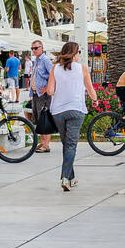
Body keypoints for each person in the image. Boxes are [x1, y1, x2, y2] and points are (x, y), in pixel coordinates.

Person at [46, 41, 97, 191]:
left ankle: (71, 177)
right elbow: (90, 89)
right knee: (71, 145)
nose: (79, 55)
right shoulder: (82, 69)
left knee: (67, 145)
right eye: (79, 52)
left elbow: (50, 91)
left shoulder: (55, 68)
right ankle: (65, 178)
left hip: (58, 112)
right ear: (74, 54)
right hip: (76, 110)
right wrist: (94, 100)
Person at [29, 39, 56, 153]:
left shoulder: (45, 60)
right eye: (32, 48)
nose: (34, 50)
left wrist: (46, 88)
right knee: (39, 119)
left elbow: (53, 74)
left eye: (36, 48)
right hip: (36, 94)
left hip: (43, 95)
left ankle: (46, 145)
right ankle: (42, 143)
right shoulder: (36, 61)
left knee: (45, 118)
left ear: (41, 48)